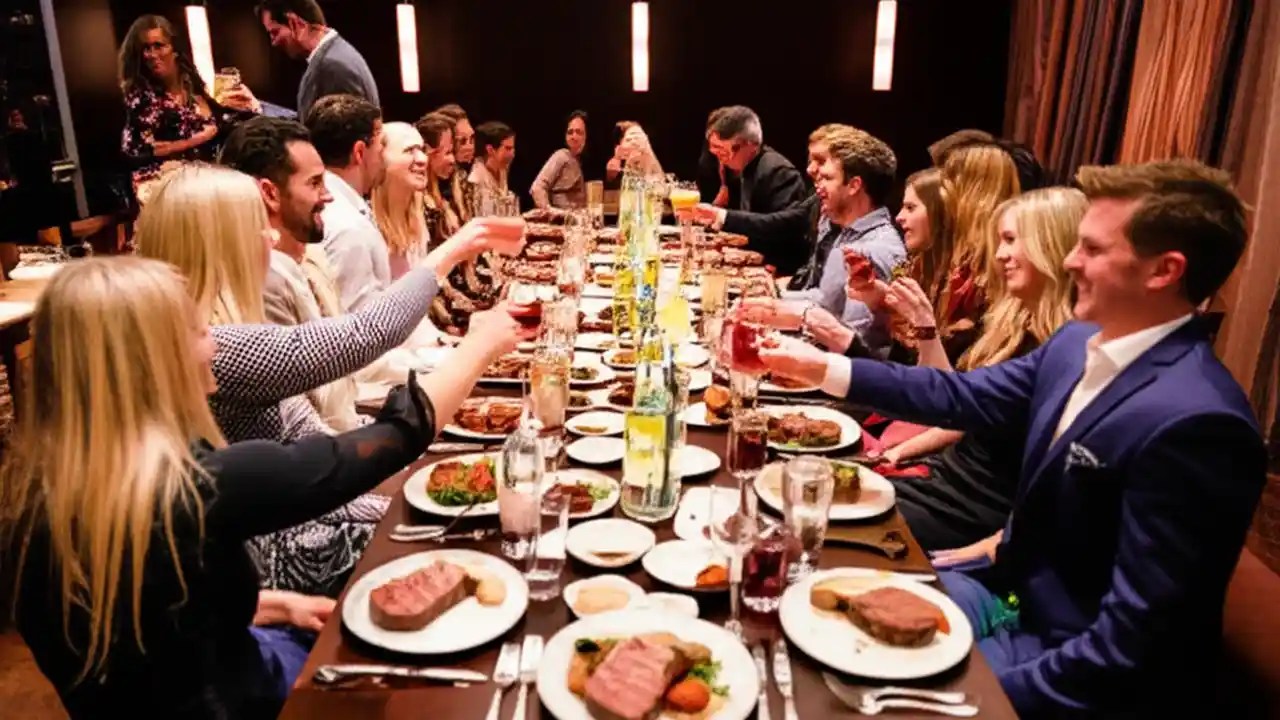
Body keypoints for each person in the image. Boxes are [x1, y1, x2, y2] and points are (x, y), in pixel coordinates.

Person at [750, 160, 1264, 716]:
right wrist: (819, 367)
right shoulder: (1077, 341)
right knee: (807, 611)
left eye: (1092, 249)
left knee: (851, 699)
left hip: (1057, 648)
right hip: (1003, 589)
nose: (1070, 260)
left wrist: (971, 702)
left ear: (1164, 271)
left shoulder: (1199, 423)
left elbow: (1130, 649)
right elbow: (960, 396)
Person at [1, 256, 519, 718]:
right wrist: (481, 345)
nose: (215, 346)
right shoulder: (193, 489)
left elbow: (146, 632)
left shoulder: (37, 496)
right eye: (201, 332)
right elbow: (393, 438)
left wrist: (273, 606)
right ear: (153, 363)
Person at [871, 187, 1085, 549]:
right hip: (946, 478)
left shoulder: (1068, 345)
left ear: (1050, 246)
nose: (999, 255)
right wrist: (902, 452)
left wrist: (834, 366)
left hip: (974, 507)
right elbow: (959, 405)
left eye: (1011, 240)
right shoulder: (1011, 322)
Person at [739, 128, 904, 358]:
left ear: (854, 185)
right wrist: (770, 297)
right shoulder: (846, 231)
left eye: (827, 178)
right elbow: (826, 301)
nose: (816, 185)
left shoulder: (869, 251)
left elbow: (853, 344)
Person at [683, 123, 849, 278]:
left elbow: (789, 225)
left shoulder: (775, 169)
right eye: (811, 160)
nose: (810, 169)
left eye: (820, 161)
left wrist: (722, 217)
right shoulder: (816, 197)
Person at [116, 14, 258, 192]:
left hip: (208, 180)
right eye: (145, 48)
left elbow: (218, 125)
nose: (151, 54)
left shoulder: (190, 83)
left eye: (158, 46)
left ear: (174, 49)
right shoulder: (141, 97)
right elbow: (139, 151)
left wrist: (249, 110)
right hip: (166, 188)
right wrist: (197, 139)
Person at [415, 112, 504, 335]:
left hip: (459, 299)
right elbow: (431, 275)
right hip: (443, 315)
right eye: (449, 151)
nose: (454, 159)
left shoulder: (453, 190)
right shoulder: (423, 205)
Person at [304, 94, 389, 312]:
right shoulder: (348, 227)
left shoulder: (343, 209)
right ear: (359, 152)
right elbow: (359, 321)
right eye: (381, 146)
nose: (385, 157)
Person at [255, 0, 379, 118]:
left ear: (295, 23)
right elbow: (313, 124)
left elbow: (340, 131)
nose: (273, 42)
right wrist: (258, 108)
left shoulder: (331, 67)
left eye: (275, 32)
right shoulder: (337, 54)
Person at [706, 106, 806, 219]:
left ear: (751, 144)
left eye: (725, 152)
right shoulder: (737, 167)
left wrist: (724, 217)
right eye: (715, 150)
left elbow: (787, 223)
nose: (721, 159)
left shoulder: (779, 172)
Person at [371, 122, 431, 279]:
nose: (423, 159)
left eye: (422, 149)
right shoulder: (367, 223)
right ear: (381, 158)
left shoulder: (419, 211)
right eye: (410, 150)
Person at [530, 110, 588, 208]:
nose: (574, 136)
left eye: (579, 132)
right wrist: (549, 212)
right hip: (562, 216)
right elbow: (537, 187)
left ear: (586, 136)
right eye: (570, 132)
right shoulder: (561, 156)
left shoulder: (580, 161)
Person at [430, 104, 477, 222]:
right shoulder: (426, 188)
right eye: (462, 141)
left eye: (472, 139)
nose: (470, 147)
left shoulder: (461, 177)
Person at [469, 121, 516, 196]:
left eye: (512, 148)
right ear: (490, 150)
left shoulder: (502, 169)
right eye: (508, 148)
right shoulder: (476, 179)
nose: (512, 154)